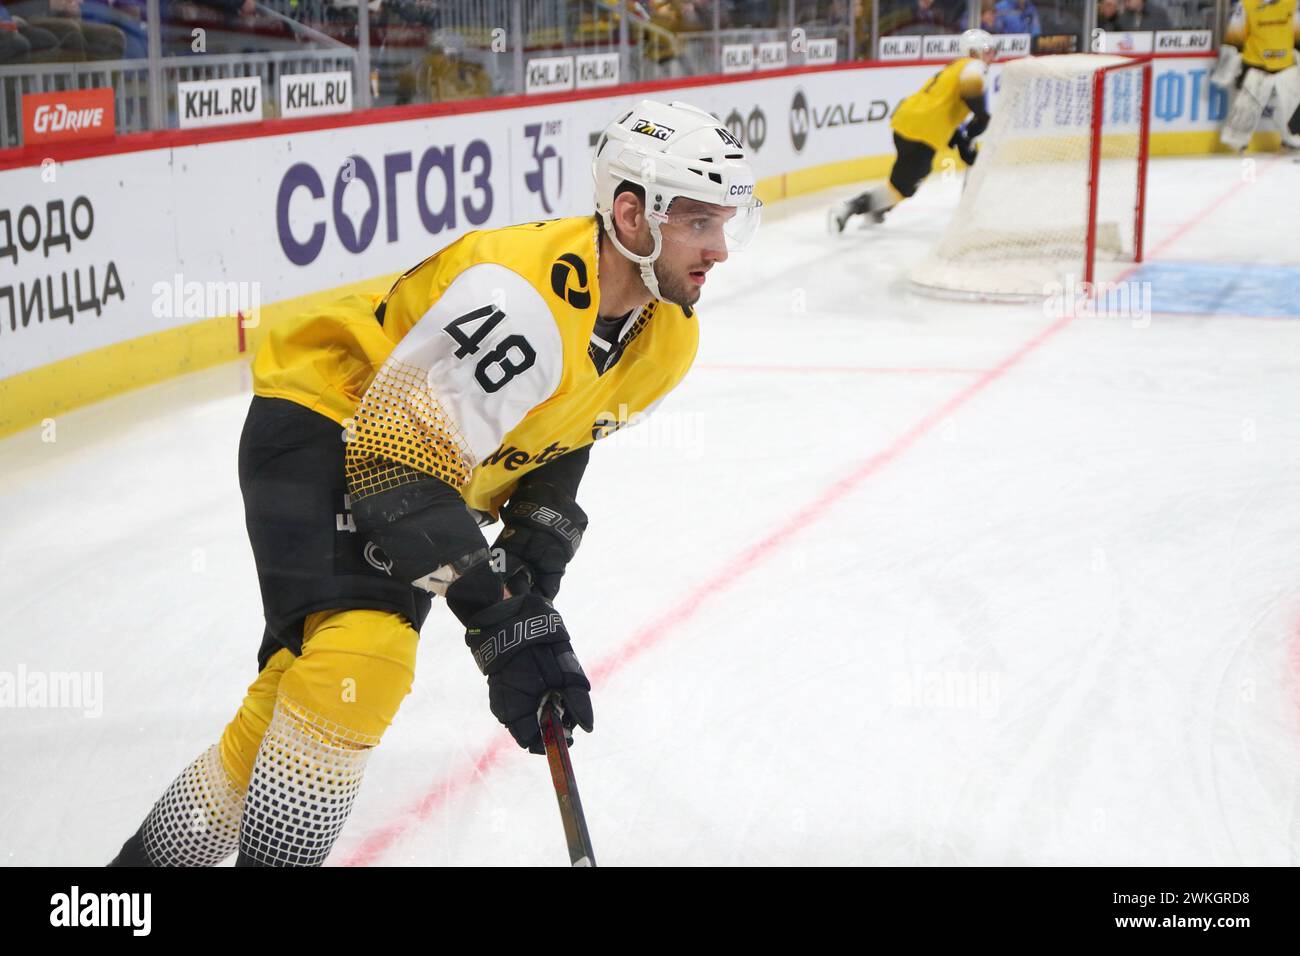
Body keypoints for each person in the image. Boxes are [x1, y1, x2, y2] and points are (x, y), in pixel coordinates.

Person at [106, 99, 761, 867]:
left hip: (421, 469)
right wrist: (499, 618)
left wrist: (537, 535)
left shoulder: (668, 338)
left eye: (726, 224)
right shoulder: (523, 295)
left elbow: (565, 424)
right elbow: (392, 463)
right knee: (365, 658)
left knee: (299, 695)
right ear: (629, 214)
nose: (718, 249)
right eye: (698, 224)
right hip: (331, 419)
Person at [831, 29, 996, 231]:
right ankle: (850, 207)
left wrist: (962, 136)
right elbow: (970, 89)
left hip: (907, 121)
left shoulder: (953, 67)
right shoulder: (973, 66)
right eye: (987, 50)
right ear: (973, 51)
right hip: (922, 131)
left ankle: (877, 210)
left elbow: (943, 105)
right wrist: (982, 115)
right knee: (903, 186)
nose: (992, 56)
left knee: (907, 179)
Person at [1219, 0, 1300, 149]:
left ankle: (1293, 138)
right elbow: (1235, 38)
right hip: (1255, 66)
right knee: (1242, 119)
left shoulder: (1292, 3)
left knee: (1295, 108)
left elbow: (1298, 35)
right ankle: (1238, 142)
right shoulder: (1246, 4)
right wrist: (1225, 71)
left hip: (1286, 66)